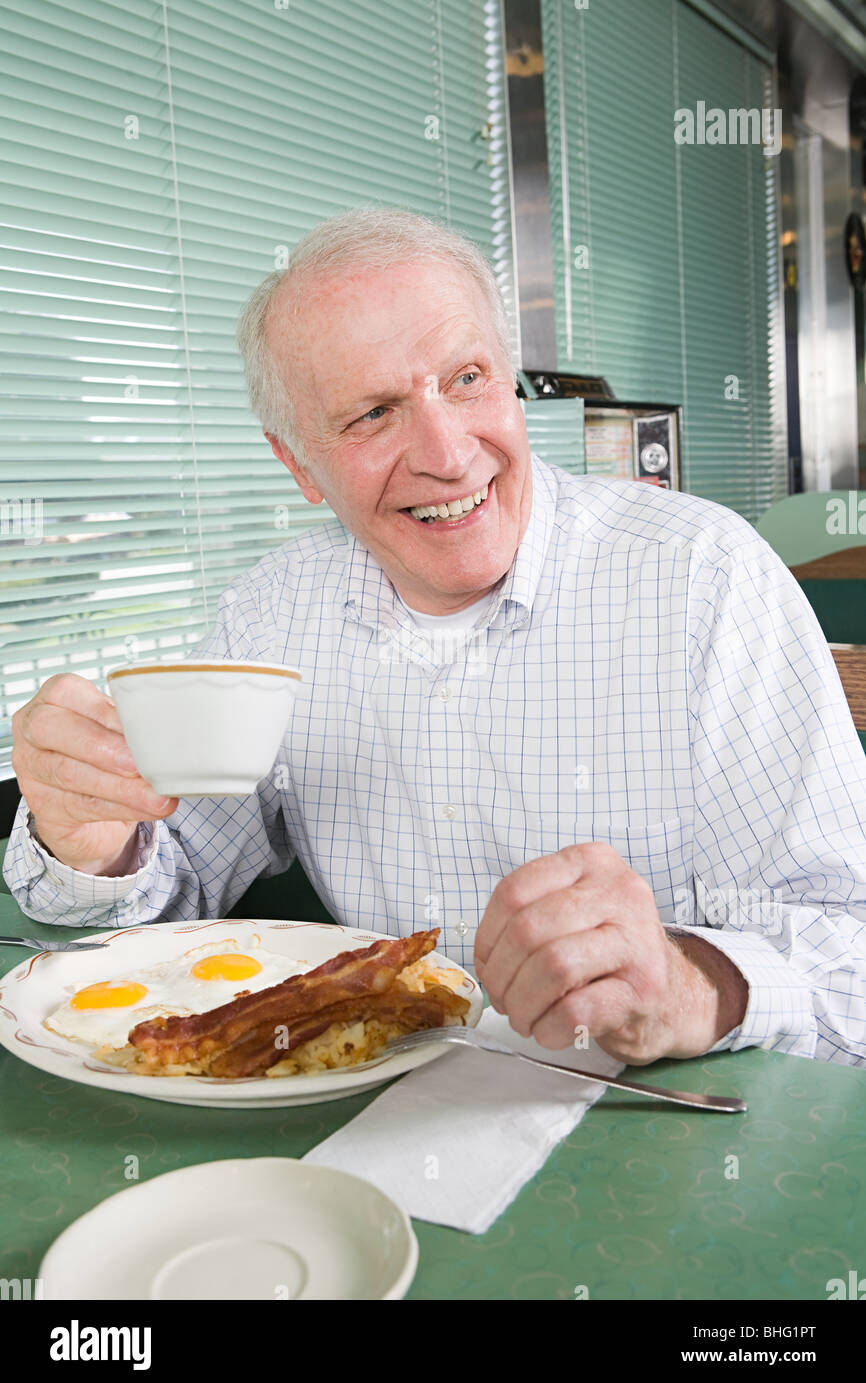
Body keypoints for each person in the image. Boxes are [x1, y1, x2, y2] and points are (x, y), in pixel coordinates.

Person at [5, 208, 866, 1069]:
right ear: (299, 463)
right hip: (368, 1122)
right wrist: (94, 843)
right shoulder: (270, 617)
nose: (448, 455)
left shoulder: (705, 578)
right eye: (375, 412)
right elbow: (169, 901)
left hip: (673, 1125)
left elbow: (851, 960)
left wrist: (688, 986)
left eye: (467, 379)